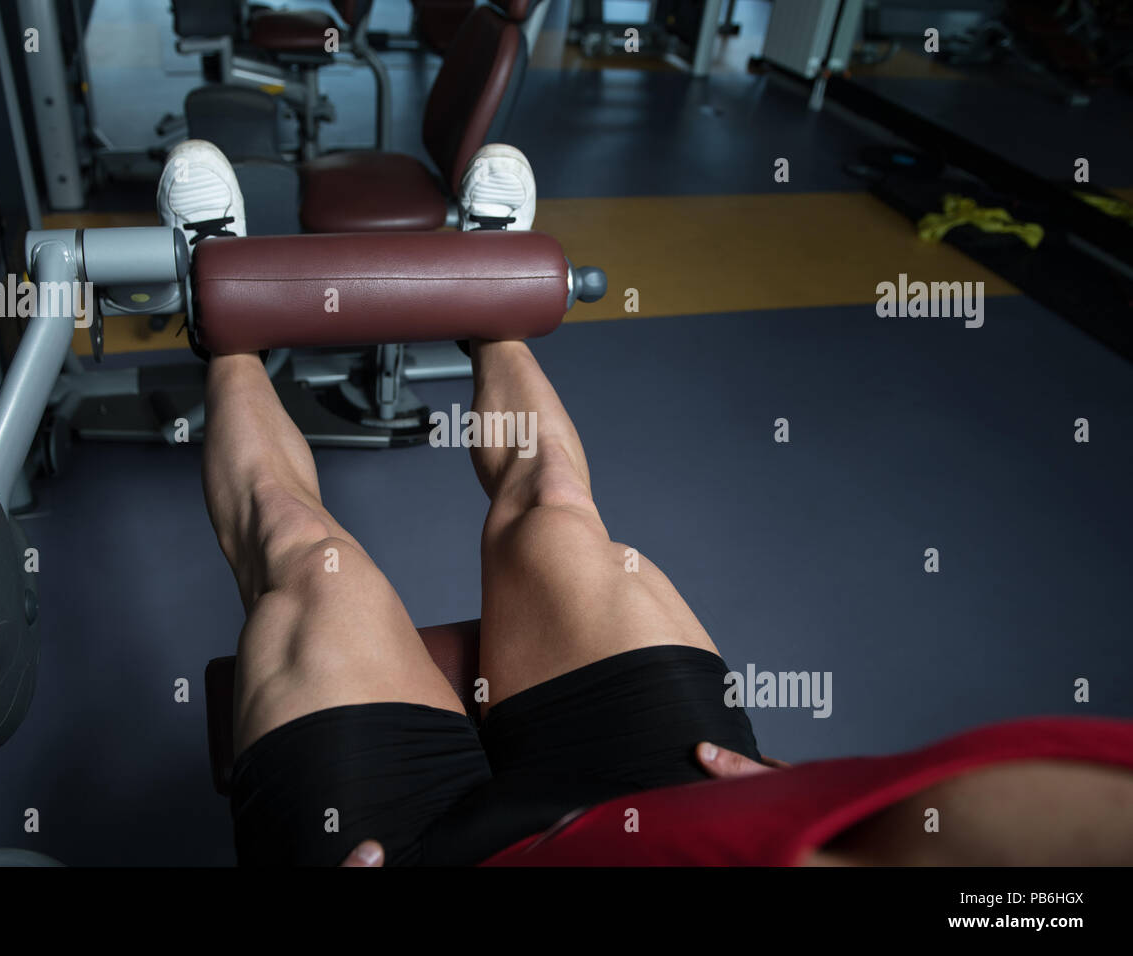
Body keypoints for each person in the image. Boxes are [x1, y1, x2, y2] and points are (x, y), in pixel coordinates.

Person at [158, 141, 1133, 867]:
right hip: (671, 811)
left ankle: (223, 315)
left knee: (301, 553)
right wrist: (830, 816)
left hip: (412, 853)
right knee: (554, 508)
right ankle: (483, 290)